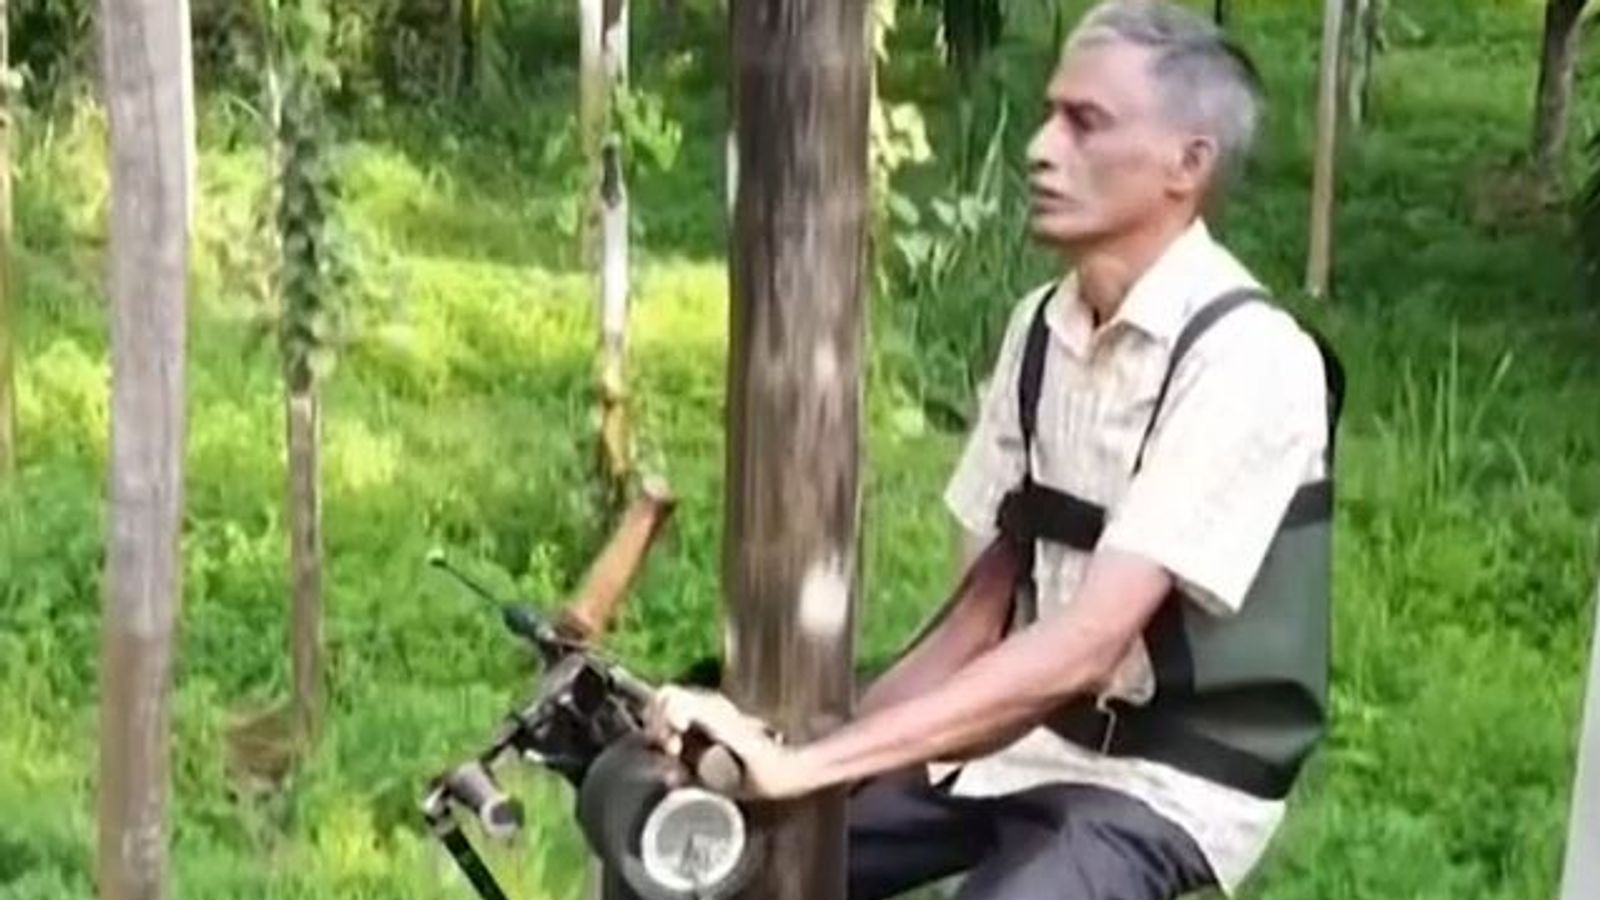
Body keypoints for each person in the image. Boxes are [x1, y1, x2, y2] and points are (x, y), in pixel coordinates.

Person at [649, 1, 1344, 897]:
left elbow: (1090, 643)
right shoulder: (1040, 328)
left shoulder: (1246, 358)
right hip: (1019, 742)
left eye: (1085, 123)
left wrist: (812, 770)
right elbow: (983, 616)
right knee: (717, 856)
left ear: (1189, 163)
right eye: (1050, 113)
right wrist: (793, 763)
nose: (1041, 147)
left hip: (1168, 783)